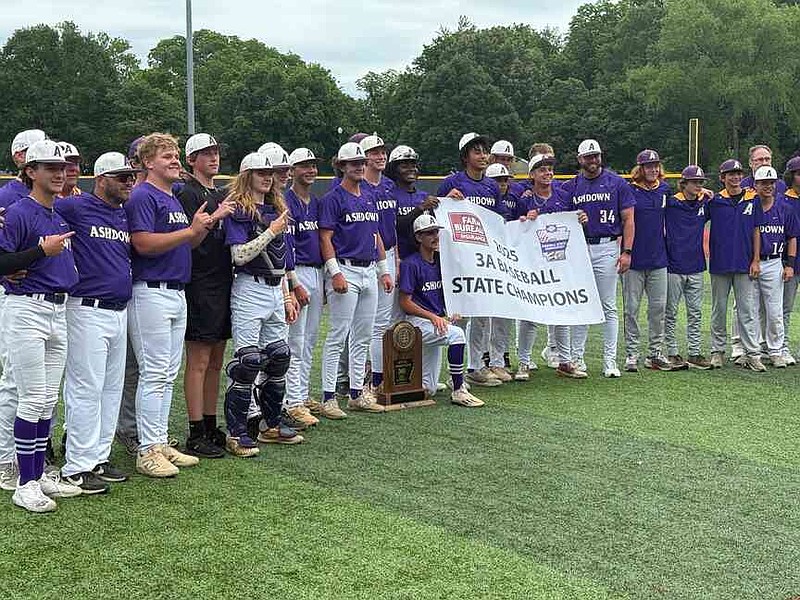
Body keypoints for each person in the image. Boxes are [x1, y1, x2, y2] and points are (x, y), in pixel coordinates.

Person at [126, 133, 228, 477]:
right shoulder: (142, 195)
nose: (174, 160)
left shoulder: (170, 196)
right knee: (154, 373)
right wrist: (189, 232)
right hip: (150, 291)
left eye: (174, 155)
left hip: (175, 290)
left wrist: (201, 226)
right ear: (147, 162)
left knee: (166, 374)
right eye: (166, 156)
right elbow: (142, 243)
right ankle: (146, 449)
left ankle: (158, 441)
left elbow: (191, 241)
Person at [0, 139, 83, 511]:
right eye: (49, 167)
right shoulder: (20, 211)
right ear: (30, 171)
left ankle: (37, 473)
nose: (59, 173)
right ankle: (26, 482)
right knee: (32, 397)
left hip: (57, 310)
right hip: (27, 308)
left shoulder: (57, 214)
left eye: (62, 167)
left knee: (48, 398)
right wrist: (39, 253)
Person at [58, 152, 139, 494]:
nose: (128, 182)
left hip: (118, 310)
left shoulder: (120, 214)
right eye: (121, 177)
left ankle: (97, 458)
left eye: (131, 176)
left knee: (109, 390)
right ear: (101, 178)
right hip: (86, 308)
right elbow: (33, 213)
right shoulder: (75, 207)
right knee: (85, 388)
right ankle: (77, 465)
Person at [223, 152, 301, 455]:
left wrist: (286, 293)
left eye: (270, 173)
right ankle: (237, 431)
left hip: (272, 288)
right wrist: (271, 231)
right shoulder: (239, 211)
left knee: (279, 356)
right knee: (248, 362)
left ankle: (270, 423)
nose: (267, 177)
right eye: (260, 173)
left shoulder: (276, 208)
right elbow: (239, 255)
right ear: (247, 176)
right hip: (249, 288)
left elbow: (281, 261)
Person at [319, 142, 393, 417]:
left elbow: (377, 237)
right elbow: (325, 237)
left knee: (363, 334)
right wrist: (334, 271)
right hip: (346, 268)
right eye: (353, 163)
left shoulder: (369, 196)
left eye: (362, 162)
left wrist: (384, 269)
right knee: (338, 335)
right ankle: (328, 398)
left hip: (369, 268)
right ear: (341, 166)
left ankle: (356, 393)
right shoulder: (333, 198)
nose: (360, 166)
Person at [175, 133, 234, 458]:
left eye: (215, 152)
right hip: (200, 281)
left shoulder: (220, 192)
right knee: (198, 359)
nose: (213, 158)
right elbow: (190, 241)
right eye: (205, 153)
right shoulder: (187, 193)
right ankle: (195, 429)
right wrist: (215, 218)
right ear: (191, 160)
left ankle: (211, 423)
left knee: (215, 360)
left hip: (223, 279)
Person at [437, 132, 506, 387]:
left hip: (485, 258)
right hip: (460, 259)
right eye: (476, 151)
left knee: (483, 314)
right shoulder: (452, 183)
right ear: (465, 156)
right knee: (460, 315)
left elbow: (499, 220)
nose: (483, 156)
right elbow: (439, 215)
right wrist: (449, 200)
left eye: (485, 151)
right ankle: (454, 370)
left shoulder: (490, 186)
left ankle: (476, 366)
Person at [564, 139, 635, 377]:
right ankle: (577, 359)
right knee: (581, 303)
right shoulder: (572, 185)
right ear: (580, 159)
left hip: (607, 247)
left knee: (608, 306)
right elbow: (555, 209)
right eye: (588, 157)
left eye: (596, 156)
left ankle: (609, 361)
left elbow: (628, 220)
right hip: (580, 248)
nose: (593, 160)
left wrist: (627, 251)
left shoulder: (616, 182)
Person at [0, 128, 47, 492]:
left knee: (39, 389)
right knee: (13, 381)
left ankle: (35, 458)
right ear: (21, 159)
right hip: (14, 293)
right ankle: (6, 459)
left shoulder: (55, 195)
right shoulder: (8, 195)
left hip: (43, 294)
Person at [398, 214, 484, 407]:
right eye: (429, 233)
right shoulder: (411, 263)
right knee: (457, 335)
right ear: (418, 238)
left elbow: (444, 293)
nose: (435, 236)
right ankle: (458, 388)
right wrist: (432, 317)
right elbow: (405, 302)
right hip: (417, 322)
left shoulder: (442, 262)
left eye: (436, 231)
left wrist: (449, 311)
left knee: (428, 389)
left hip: (435, 321)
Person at [515, 153, 586, 379]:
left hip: (559, 262)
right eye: (542, 169)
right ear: (532, 174)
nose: (547, 173)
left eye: (549, 169)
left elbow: (574, 224)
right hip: (533, 263)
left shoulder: (564, 196)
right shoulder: (525, 199)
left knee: (561, 311)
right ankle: (524, 362)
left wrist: (581, 219)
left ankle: (564, 361)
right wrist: (525, 219)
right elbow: (514, 230)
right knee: (529, 314)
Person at [708, 159, 764, 371]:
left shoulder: (753, 199)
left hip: (744, 262)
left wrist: (756, 259)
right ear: (722, 178)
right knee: (718, 309)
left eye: (738, 173)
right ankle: (717, 351)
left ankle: (752, 353)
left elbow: (757, 230)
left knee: (747, 310)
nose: (735, 177)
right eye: (730, 174)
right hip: (720, 263)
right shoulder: (715, 201)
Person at [622, 149, 674, 372]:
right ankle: (632, 353)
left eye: (656, 165)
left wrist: (704, 193)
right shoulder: (630, 190)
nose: (653, 169)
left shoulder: (664, 189)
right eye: (648, 166)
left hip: (658, 257)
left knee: (658, 308)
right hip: (634, 258)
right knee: (631, 309)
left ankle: (655, 353)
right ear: (640, 169)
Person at [282, 147, 323, 428]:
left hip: (317, 271)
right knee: (294, 341)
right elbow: (286, 248)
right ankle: (291, 401)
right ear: (292, 170)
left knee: (309, 340)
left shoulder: (316, 203)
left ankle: (302, 394)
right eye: (303, 166)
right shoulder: (286, 200)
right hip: (297, 273)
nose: (310, 170)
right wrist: (293, 283)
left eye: (312, 165)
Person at [115, 135, 147, 455]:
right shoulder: (122, 196)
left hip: (139, 287)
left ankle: (136, 427)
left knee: (140, 366)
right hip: (118, 290)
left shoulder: (160, 195)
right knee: (124, 368)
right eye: (137, 161)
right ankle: (125, 428)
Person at [360, 134, 397, 399]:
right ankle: (364, 377)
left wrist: (395, 258)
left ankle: (376, 375)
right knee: (363, 322)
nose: (380, 156)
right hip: (366, 256)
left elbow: (392, 224)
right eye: (374, 152)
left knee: (382, 321)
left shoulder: (390, 185)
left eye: (383, 151)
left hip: (390, 254)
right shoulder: (357, 185)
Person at [664, 166, 712, 369]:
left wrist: (709, 196)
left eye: (701, 182)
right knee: (671, 311)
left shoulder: (704, 203)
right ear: (684, 183)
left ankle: (694, 352)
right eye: (695, 182)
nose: (699, 186)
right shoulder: (672, 203)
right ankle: (672, 351)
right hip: (674, 265)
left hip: (696, 264)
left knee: (695, 312)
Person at [752, 165, 796, 367]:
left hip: (775, 261)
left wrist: (790, 265)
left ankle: (776, 350)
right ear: (756, 185)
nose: (768, 186)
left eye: (771, 182)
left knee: (775, 310)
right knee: (751, 309)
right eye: (764, 183)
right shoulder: (750, 206)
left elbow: (792, 238)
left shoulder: (785, 208)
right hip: (753, 262)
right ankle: (753, 349)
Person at [484, 163, 519, 381]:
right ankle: (479, 362)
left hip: (504, 262)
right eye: (498, 180)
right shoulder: (483, 203)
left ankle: (498, 361)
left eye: (505, 180)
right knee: (482, 315)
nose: (503, 184)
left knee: (503, 313)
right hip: (484, 261)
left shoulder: (512, 202)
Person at [781, 156, 800, 364]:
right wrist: (788, 263)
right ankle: (782, 346)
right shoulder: (783, 199)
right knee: (784, 307)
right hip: (790, 261)